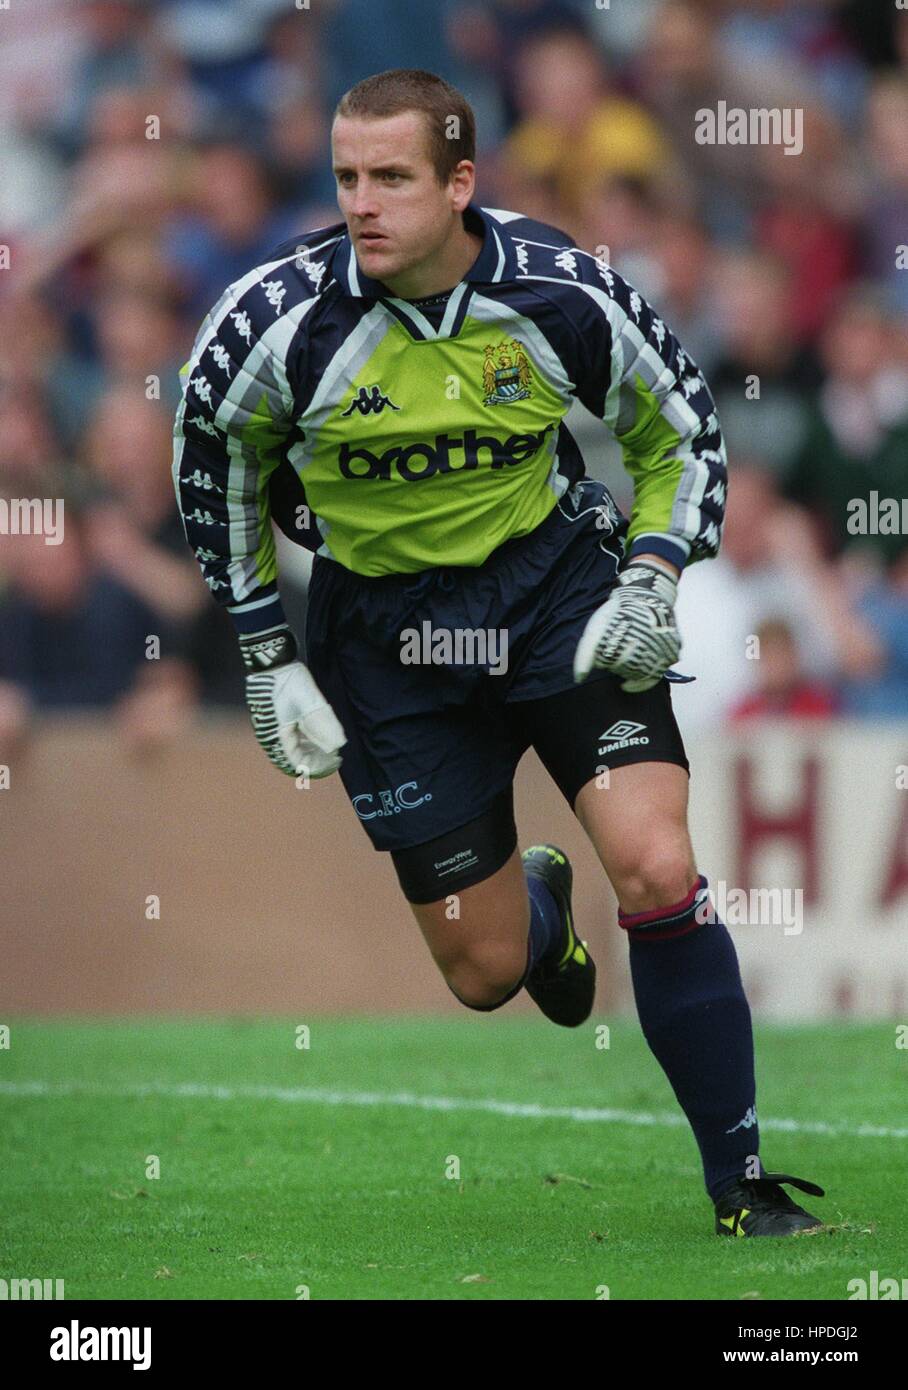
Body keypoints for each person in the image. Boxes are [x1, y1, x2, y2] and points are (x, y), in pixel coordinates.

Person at [172, 68, 825, 1237]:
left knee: (656, 867)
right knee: (480, 975)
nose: (360, 203)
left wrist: (654, 568)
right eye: (345, 178)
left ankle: (740, 1187)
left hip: (554, 599)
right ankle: (532, 900)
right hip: (386, 638)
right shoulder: (271, 322)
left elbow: (677, 427)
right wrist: (268, 653)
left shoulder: (561, 291)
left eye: (390, 178)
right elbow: (209, 472)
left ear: (460, 184)